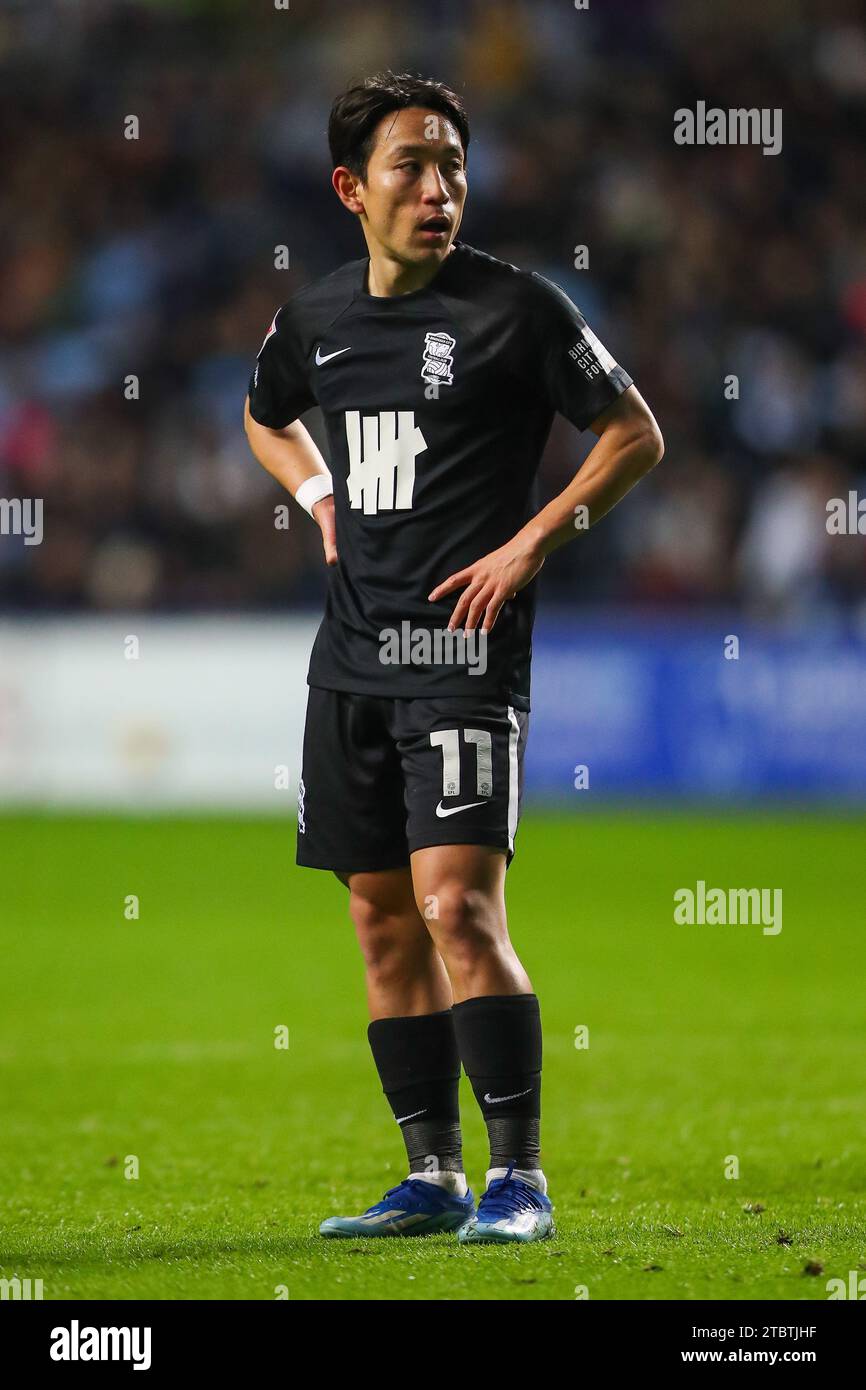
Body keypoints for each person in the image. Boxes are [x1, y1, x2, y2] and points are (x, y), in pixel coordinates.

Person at [244, 71, 663, 1243]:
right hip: (350, 659)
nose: (438, 191)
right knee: (381, 918)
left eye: (452, 170)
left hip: (461, 654)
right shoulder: (316, 320)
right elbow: (260, 412)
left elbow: (635, 434)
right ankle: (428, 1175)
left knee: (455, 907)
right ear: (349, 189)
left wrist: (532, 541)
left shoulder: (517, 310)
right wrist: (318, 491)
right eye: (410, 169)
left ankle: (517, 1180)